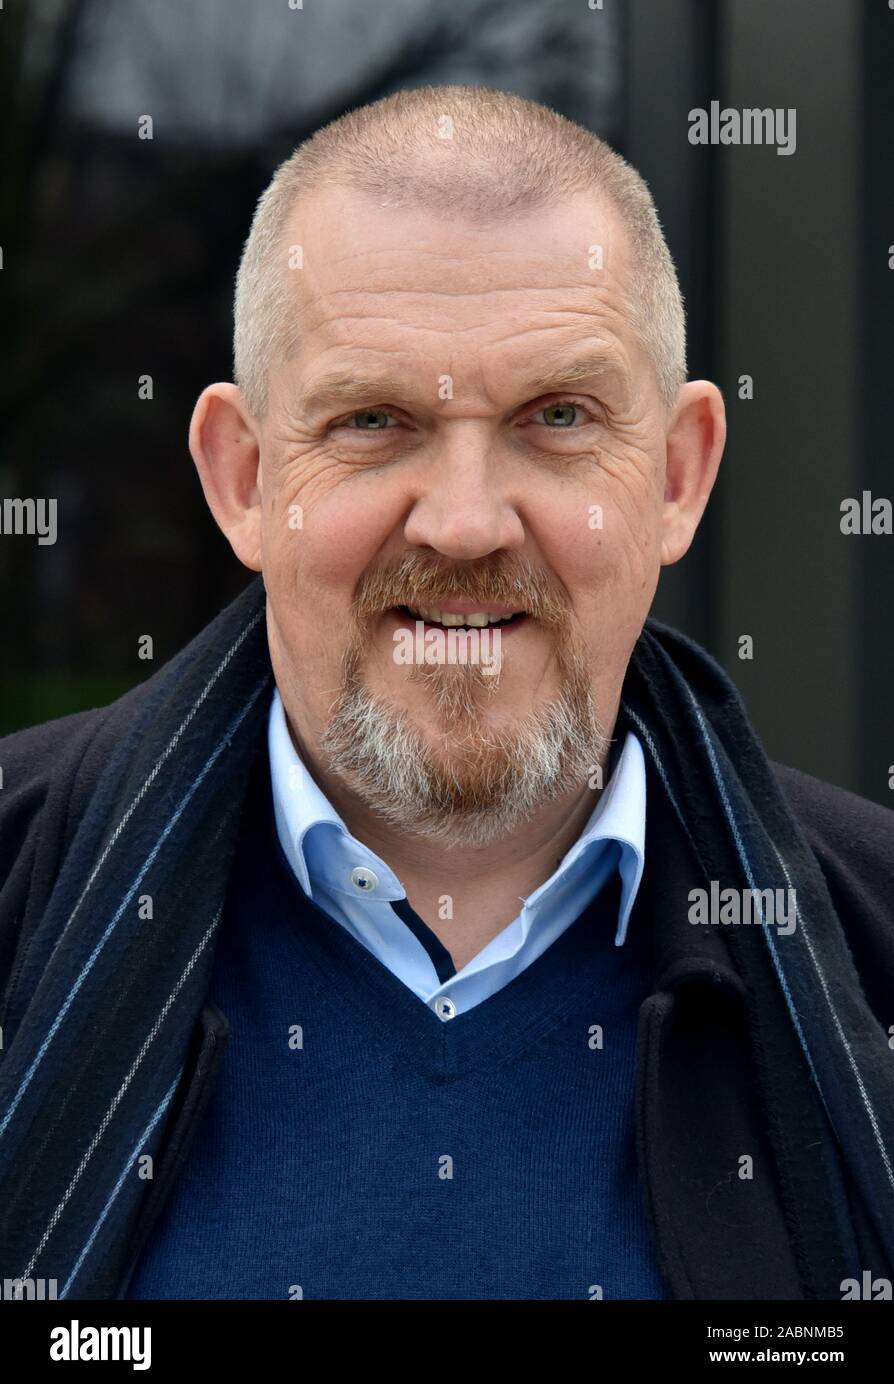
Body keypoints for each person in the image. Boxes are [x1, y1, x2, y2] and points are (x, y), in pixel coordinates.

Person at [1, 85, 892, 1302]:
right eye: (374, 420)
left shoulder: (873, 948)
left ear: (678, 476)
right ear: (246, 477)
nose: (466, 523)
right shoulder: (24, 897)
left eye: (559, 418)